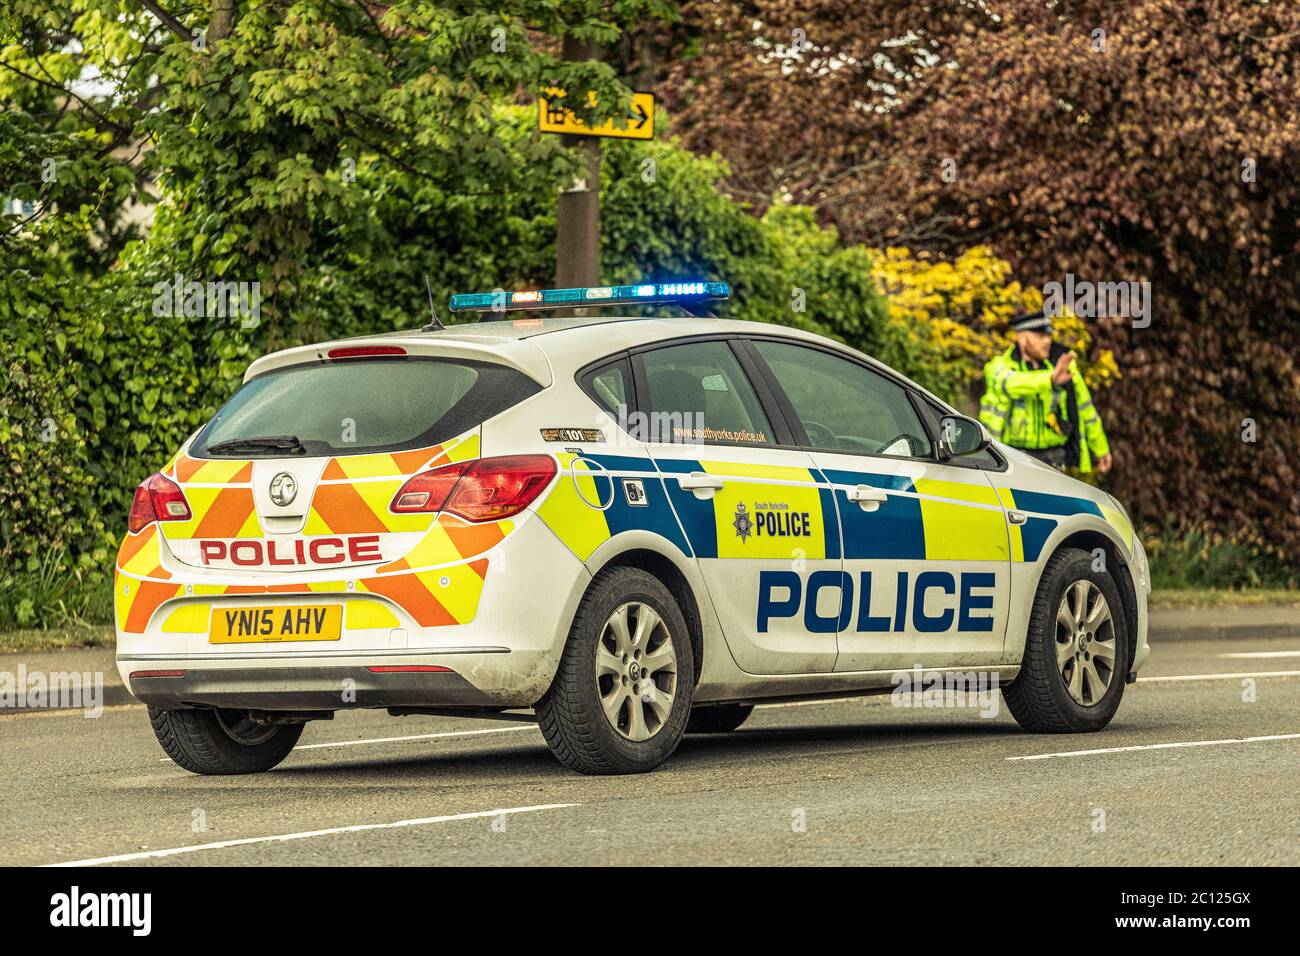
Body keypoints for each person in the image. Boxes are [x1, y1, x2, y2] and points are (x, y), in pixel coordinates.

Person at [979, 308, 1113, 474]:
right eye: (1040, 336)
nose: (1047, 341)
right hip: (1014, 458)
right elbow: (1012, 383)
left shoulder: (1063, 367)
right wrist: (1050, 380)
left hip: (1057, 459)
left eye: (1049, 335)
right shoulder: (998, 366)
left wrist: (1101, 450)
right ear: (1021, 337)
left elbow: (1086, 410)